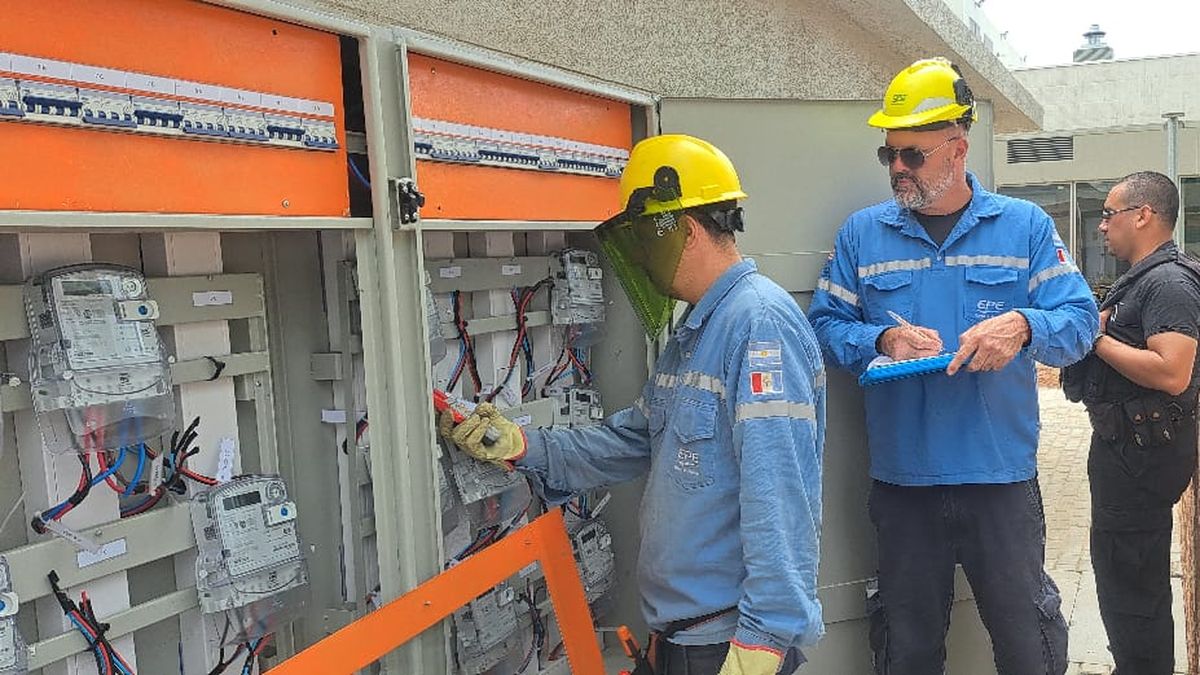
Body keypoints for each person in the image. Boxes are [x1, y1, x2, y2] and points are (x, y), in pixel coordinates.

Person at [440, 134, 825, 675]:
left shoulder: (758, 325)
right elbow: (633, 439)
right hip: (680, 639)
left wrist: (764, 639)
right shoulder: (694, 331)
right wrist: (525, 445)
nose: (641, 258)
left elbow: (779, 488)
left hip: (730, 645)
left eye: (645, 239)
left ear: (685, 231)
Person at [807, 57, 1098, 675]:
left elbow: (1079, 322)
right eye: (889, 156)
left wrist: (1023, 325)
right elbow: (824, 331)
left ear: (957, 149)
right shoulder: (862, 235)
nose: (898, 171)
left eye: (912, 155)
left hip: (999, 479)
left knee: (1028, 641)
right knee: (907, 647)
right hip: (904, 483)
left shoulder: (1024, 227)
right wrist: (880, 340)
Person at [1062, 171, 1200, 674]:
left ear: (1143, 216)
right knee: (1124, 582)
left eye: (1109, 214)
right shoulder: (1147, 277)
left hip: (1141, 460)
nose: (1102, 226)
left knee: (1131, 586)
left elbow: (1172, 370)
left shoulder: (1168, 282)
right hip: (1128, 454)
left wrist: (1095, 339)